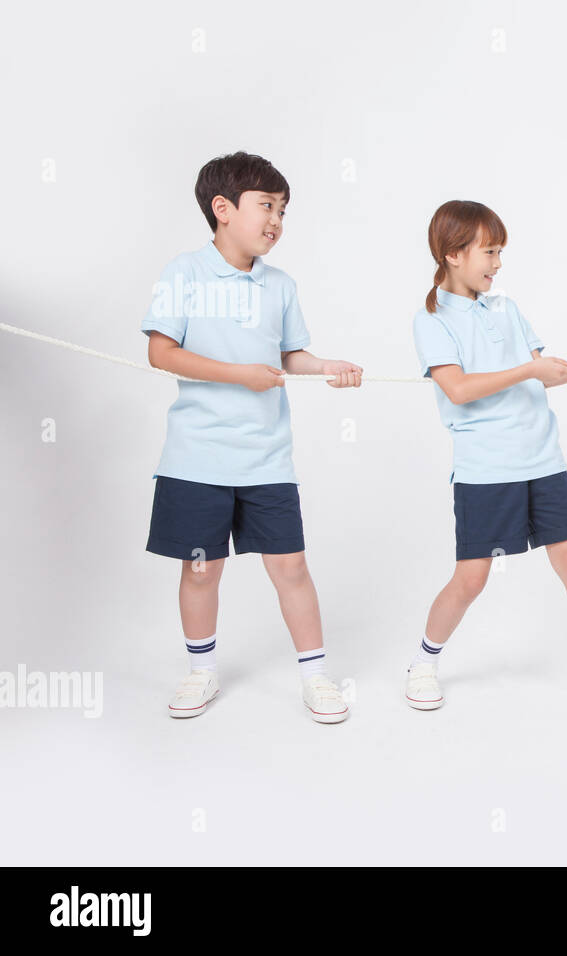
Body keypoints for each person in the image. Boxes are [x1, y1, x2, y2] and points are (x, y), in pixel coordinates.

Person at [142, 151, 362, 724]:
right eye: (266, 205)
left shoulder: (280, 285)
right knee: (200, 568)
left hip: (266, 459)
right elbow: (160, 351)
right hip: (196, 458)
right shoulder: (183, 272)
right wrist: (240, 374)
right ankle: (201, 671)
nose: (276, 221)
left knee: (290, 567)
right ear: (222, 209)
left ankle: (315, 677)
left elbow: (290, 354)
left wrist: (325, 366)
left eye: (283, 210)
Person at [408, 199, 567, 720]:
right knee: (471, 577)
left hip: (543, 461)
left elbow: (548, 371)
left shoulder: (506, 308)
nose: (496, 263)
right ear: (453, 255)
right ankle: (424, 664)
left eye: (499, 252)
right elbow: (460, 389)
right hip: (486, 470)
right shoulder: (431, 320)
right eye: (489, 251)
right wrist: (525, 370)